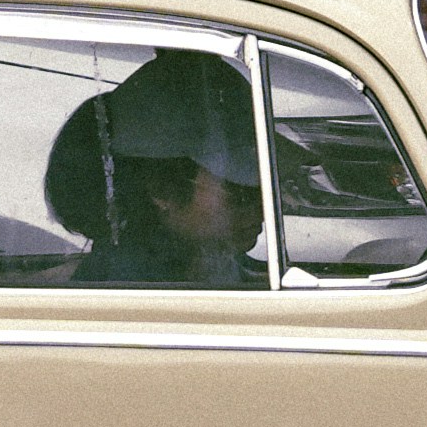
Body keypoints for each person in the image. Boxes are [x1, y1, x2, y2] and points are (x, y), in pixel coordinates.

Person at [47, 47, 267, 288]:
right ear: (163, 189)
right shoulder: (130, 292)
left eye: (268, 187)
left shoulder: (207, 268)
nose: (263, 208)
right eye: (240, 193)